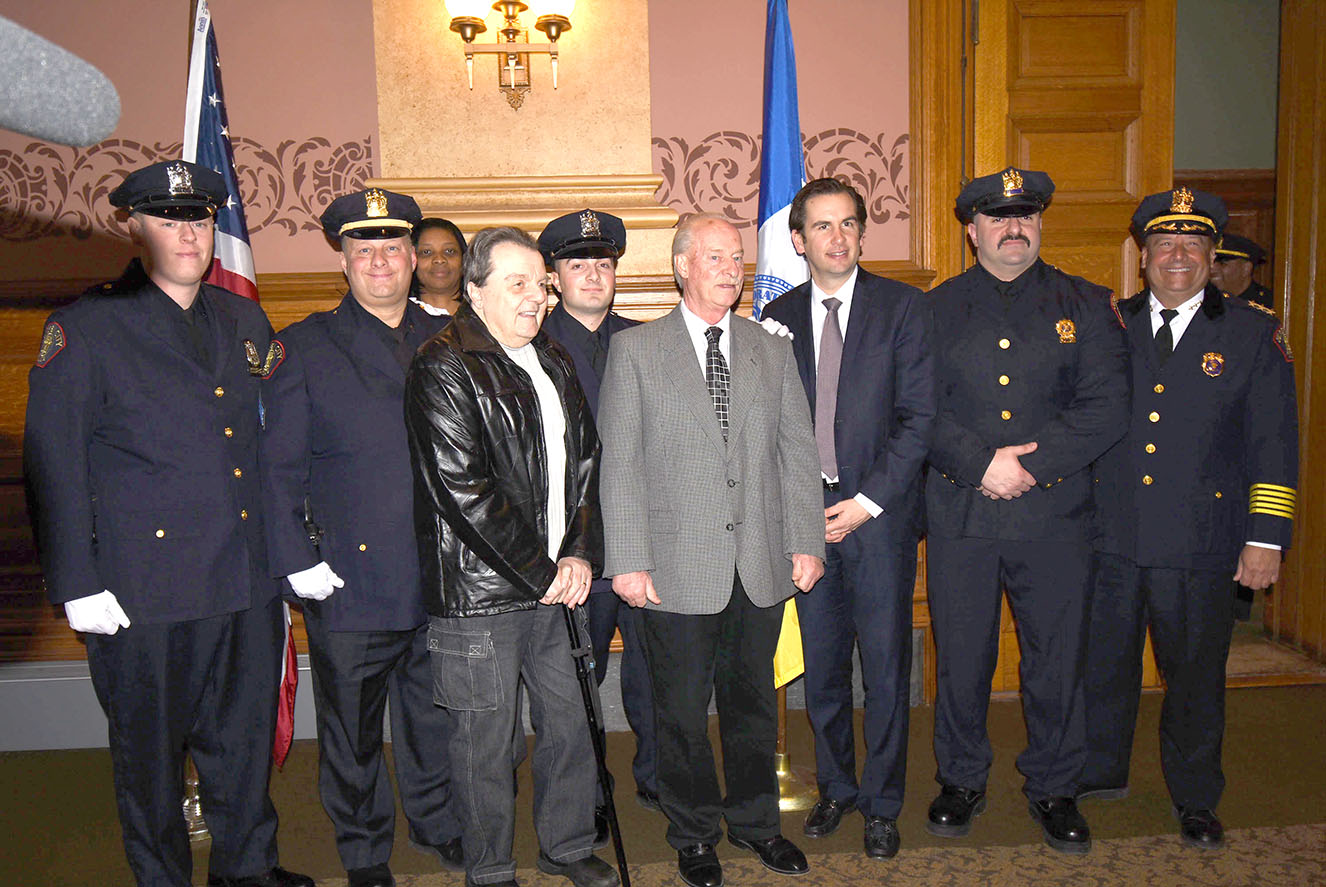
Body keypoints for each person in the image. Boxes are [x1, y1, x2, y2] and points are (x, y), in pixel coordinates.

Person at [23, 160, 312, 887]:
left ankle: (247, 868)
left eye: (200, 218)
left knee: (242, 745)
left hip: (244, 578)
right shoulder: (86, 328)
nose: (189, 233)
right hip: (143, 593)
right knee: (150, 759)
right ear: (135, 226)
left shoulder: (242, 318)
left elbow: (267, 444)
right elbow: (53, 463)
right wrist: (77, 582)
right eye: (169, 218)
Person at [598, 213, 825, 887]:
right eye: (715, 257)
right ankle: (693, 833)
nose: (731, 269)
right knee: (680, 714)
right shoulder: (636, 352)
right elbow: (621, 465)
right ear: (680, 267)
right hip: (672, 571)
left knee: (754, 708)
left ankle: (757, 824)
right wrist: (629, 560)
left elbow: (797, 452)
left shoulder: (770, 350)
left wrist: (806, 541)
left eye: (737, 258)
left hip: (758, 567)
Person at [1080, 188, 1298, 850]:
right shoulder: (1107, 325)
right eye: (1165, 246)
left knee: (1197, 678)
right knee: (1103, 667)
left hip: (1201, 543)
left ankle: (1197, 796)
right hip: (1110, 538)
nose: (1178, 257)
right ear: (1143, 256)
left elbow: (1275, 443)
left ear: (1211, 257)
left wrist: (1265, 537)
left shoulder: (1252, 334)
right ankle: (1098, 772)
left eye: (1193, 246)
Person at [259, 189, 463, 887]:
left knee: (433, 721)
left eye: (392, 248)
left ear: (413, 258)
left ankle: (438, 823)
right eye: (363, 249)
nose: (380, 262)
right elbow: (276, 470)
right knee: (352, 732)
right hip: (349, 580)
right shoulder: (305, 346)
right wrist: (298, 563)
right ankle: (364, 848)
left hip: (437, 578)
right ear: (343, 261)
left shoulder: (447, 339)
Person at [923, 167, 1129, 854]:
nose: (1016, 228)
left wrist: (1027, 466)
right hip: (963, 515)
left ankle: (1054, 784)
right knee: (961, 656)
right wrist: (980, 463)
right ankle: (960, 778)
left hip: (1055, 517)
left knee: (1055, 659)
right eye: (1000, 217)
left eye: (1027, 216)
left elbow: (1106, 407)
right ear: (973, 229)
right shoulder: (934, 309)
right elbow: (919, 406)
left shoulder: (1089, 304)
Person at [404, 226, 618, 887]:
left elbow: (586, 462)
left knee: (569, 728)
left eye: (541, 283)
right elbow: (464, 492)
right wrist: (548, 568)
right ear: (474, 290)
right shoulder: (443, 364)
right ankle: (491, 868)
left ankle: (566, 844)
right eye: (517, 283)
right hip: (480, 598)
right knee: (485, 747)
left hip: (559, 585)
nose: (537, 298)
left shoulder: (553, 357)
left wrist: (580, 553)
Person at [761, 177, 935, 860]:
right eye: (821, 227)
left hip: (878, 519)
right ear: (798, 241)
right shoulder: (774, 313)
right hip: (807, 522)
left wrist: (865, 504)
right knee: (824, 667)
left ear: (863, 233)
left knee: (887, 668)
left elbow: (920, 419)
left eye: (848, 225)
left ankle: (884, 802)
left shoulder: (904, 309)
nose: (836, 237)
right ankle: (837, 785)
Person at [537, 210, 658, 828]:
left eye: (603, 263)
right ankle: (587, 790)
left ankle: (658, 775)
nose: (592, 274)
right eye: (577, 264)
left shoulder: (650, 341)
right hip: (574, 548)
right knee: (577, 678)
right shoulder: (528, 347)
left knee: (655, 670)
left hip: (646, 542)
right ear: (554, 277)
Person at [411, 217, 467, 316]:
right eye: (426, 252)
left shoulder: (487, 314)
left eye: (449, 251)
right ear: (412, 260)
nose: (439, 260)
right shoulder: (397, 319)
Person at [1210, 232, 1272, 309]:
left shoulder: (1267, 305)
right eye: (1209, 261)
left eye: (1223, 262)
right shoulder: (1201, 302)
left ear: (1246, 268)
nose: (1213, 267)